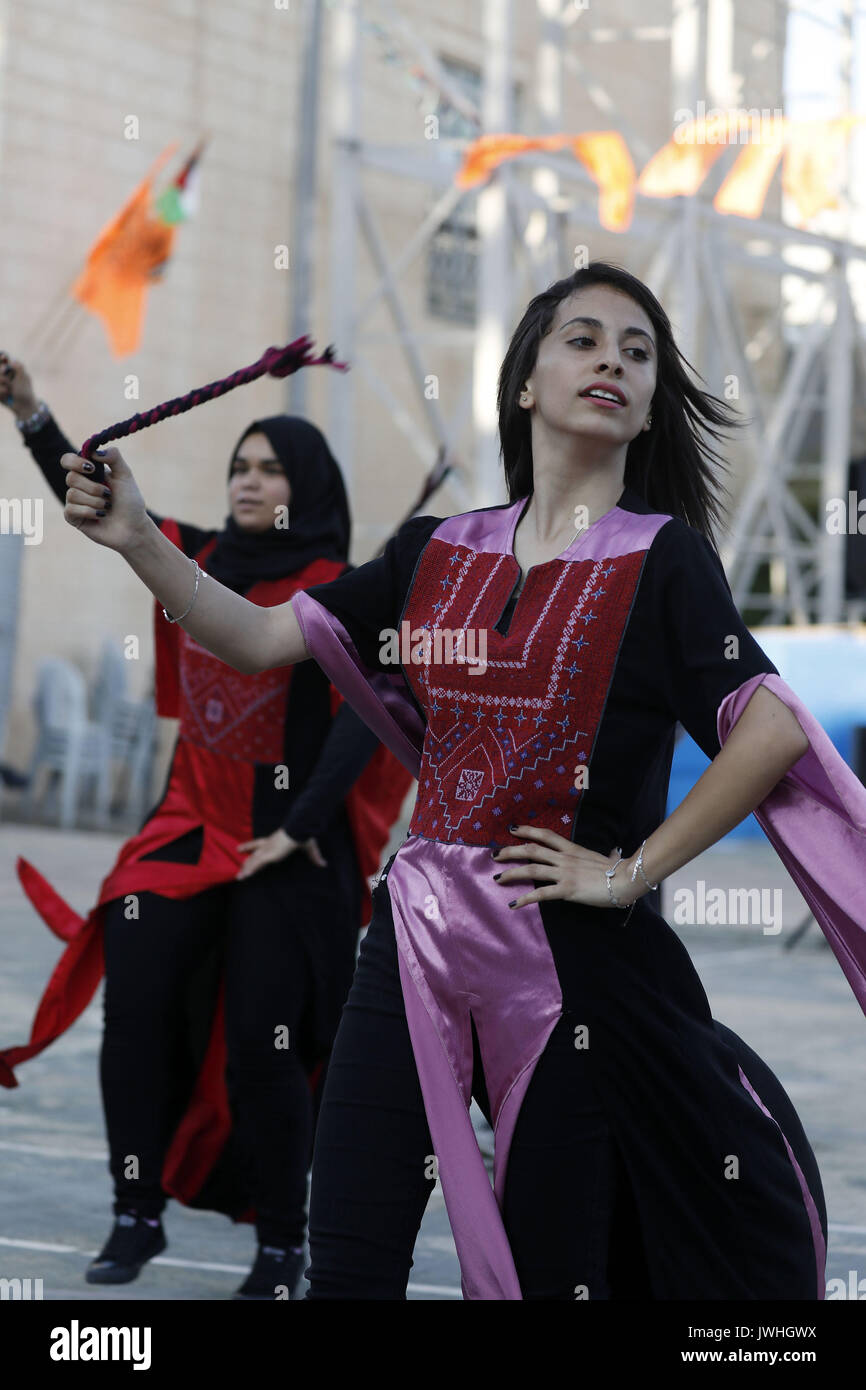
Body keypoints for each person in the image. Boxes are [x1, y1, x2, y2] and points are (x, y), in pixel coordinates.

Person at [51, 262, 866, 1300]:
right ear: (524, 380)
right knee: (348, 1264)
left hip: (572, 979)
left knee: (550, 1274)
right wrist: (135, 540)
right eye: (582, 338)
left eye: (636, 349)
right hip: (410, 944)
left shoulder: (665, 560)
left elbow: (766, 730)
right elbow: (257, 638)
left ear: (650, 402)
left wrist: (625, 873)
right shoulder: (433, 550)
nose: (610, 359)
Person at [0, 355, 412, 1299]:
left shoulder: (333, 586)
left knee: (266, 1040)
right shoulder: (196, 557)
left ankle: (282, 1245)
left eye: (269, 467)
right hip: (189, 827)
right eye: (239, 465)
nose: (248, 480)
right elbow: (101, 501)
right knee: (134, 1009)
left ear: (305, 488)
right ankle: (134, 1213)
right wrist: (32, 413)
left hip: (288, 844)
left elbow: (365, 718)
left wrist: (302, 824)